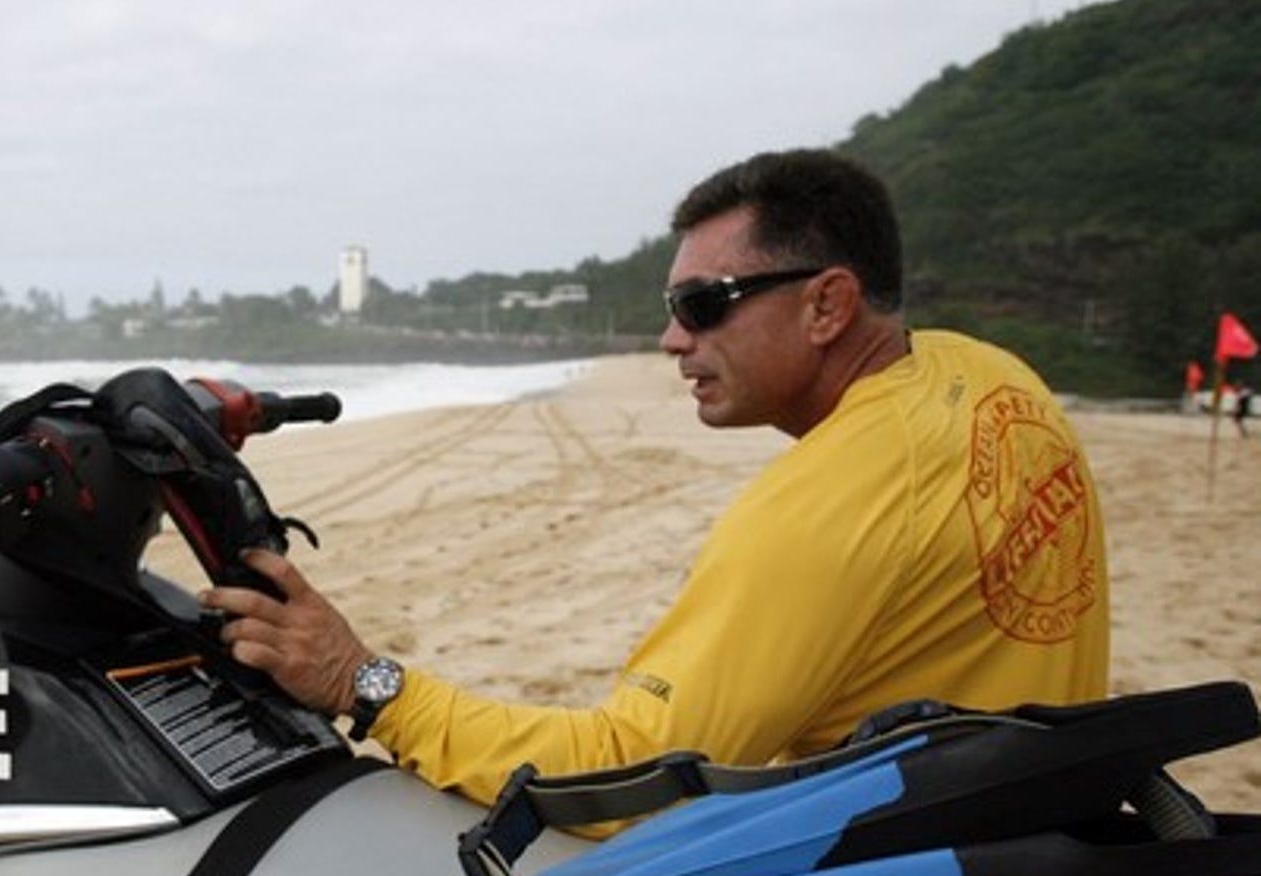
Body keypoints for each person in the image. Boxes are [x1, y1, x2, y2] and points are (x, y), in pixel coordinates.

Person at [201, 149, 1111, 821]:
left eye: (703, 305)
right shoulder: (988, 375)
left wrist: (364, 682)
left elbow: (626, 776)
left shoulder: (828, 503)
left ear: (827, 305)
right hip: (1043, 820)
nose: (674, 339)